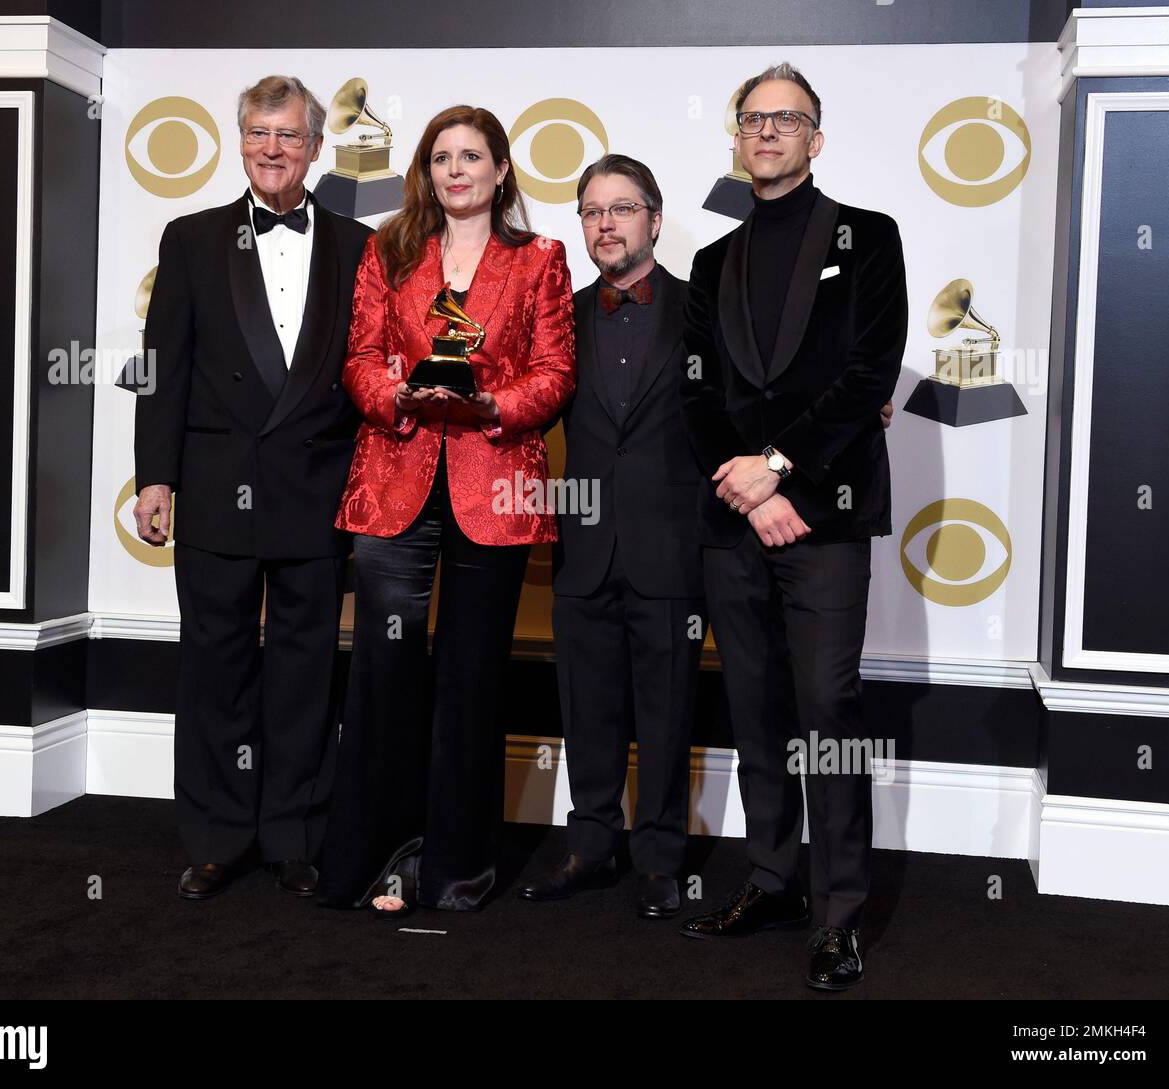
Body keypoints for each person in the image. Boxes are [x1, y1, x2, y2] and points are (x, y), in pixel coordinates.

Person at [677, 63, 908, 991]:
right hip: (735, 519)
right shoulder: (712, 261)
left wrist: (779, 468)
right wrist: (749, 488)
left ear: (816, 138)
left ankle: (838, 912)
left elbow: (868, 374)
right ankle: (771, 879)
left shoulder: (869, 236)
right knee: (756, 706)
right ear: (735, 137)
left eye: (786, 118)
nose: (766, 131)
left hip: (827, 514)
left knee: (828, 708)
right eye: (753, 118)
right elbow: (698, 392)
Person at [316, 105, 576, 915]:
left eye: (471, 156)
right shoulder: (388, 251)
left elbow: (555, 372)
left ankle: (454, 869)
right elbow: (358, 356)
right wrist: (395, 395)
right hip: (393, 480)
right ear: (425, 172)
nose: (455, 170)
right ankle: (373, 860)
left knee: (471, 678)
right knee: (383, 675)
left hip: (493, 485)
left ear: (501, 170)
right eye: (441, 158)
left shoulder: (539, 258)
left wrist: (494, 405)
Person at [133, 76, 373, 900]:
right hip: (215, 484)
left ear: (316, 147)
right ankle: (216, 837)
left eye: (289, 135)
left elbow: (367, 373)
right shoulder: (191, 238)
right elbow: (163, 368)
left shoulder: (360, 244)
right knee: (216, 666)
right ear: (240, 142)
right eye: (259, 133)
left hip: (317, 486)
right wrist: (156, 476)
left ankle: (292, 835)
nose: (273, 149)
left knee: (307, 672)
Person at [517, 155, 704, 919]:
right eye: (592, 211)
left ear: (654, 219)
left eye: (622, 208)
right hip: (585, 547)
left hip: (672, 546)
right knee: (586, 709)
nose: (606, 223)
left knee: (666, 712)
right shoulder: (558, 316)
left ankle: (660, 858)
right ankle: (590, 847)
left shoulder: (702, 309)